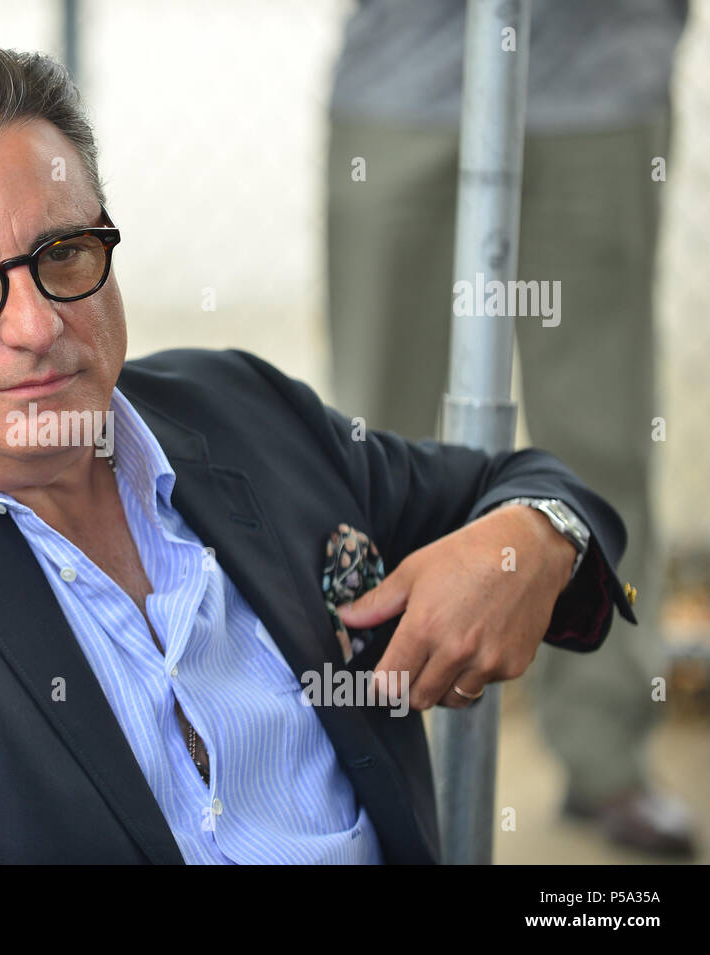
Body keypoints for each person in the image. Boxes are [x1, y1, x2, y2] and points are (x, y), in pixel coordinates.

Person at [0, 37, 637, 864]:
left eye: (65, 252)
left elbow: (523, 486)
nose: (37, 326)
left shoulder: (239, 412)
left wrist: (530, 538)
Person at [326, 0, 694, 856]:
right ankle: (352, 730)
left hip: (598, 88)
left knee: (602, 432)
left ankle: (607, 755)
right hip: (404, 84)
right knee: (367, 437)